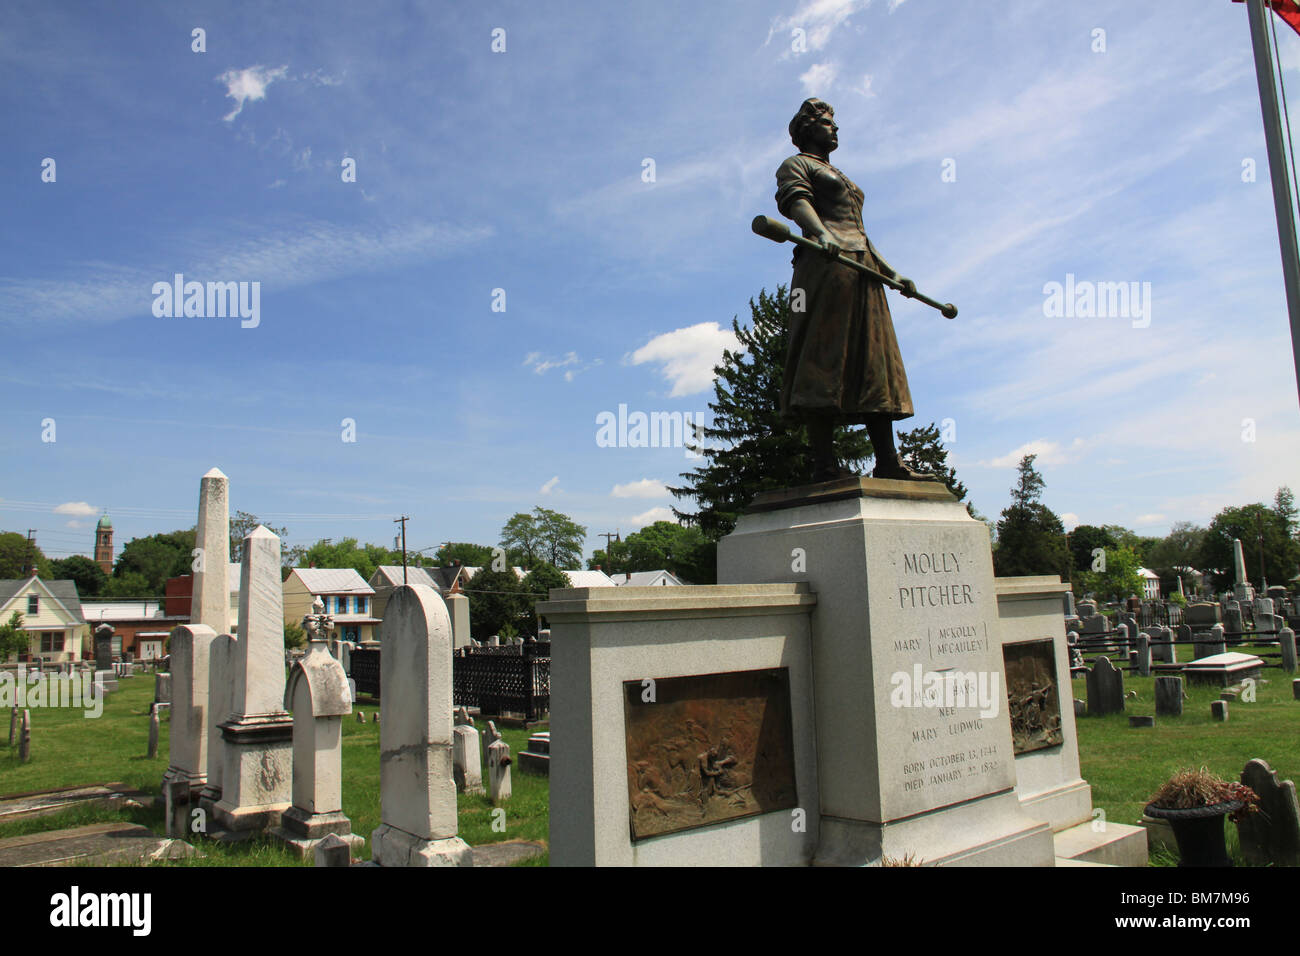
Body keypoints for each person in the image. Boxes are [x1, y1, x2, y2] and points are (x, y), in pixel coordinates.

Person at [775, 98, 925, 482]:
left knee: (875, 363)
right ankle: (823, 464)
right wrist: (822, 234)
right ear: (808, 129)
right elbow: (796, 202)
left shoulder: (842, 174)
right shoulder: (797, 164)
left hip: (863, 267)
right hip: (826, 266)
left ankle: (888, 461)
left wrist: (893, 272)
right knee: (824, 357)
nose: (835, 128)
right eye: (827, 123)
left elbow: (860, 230)